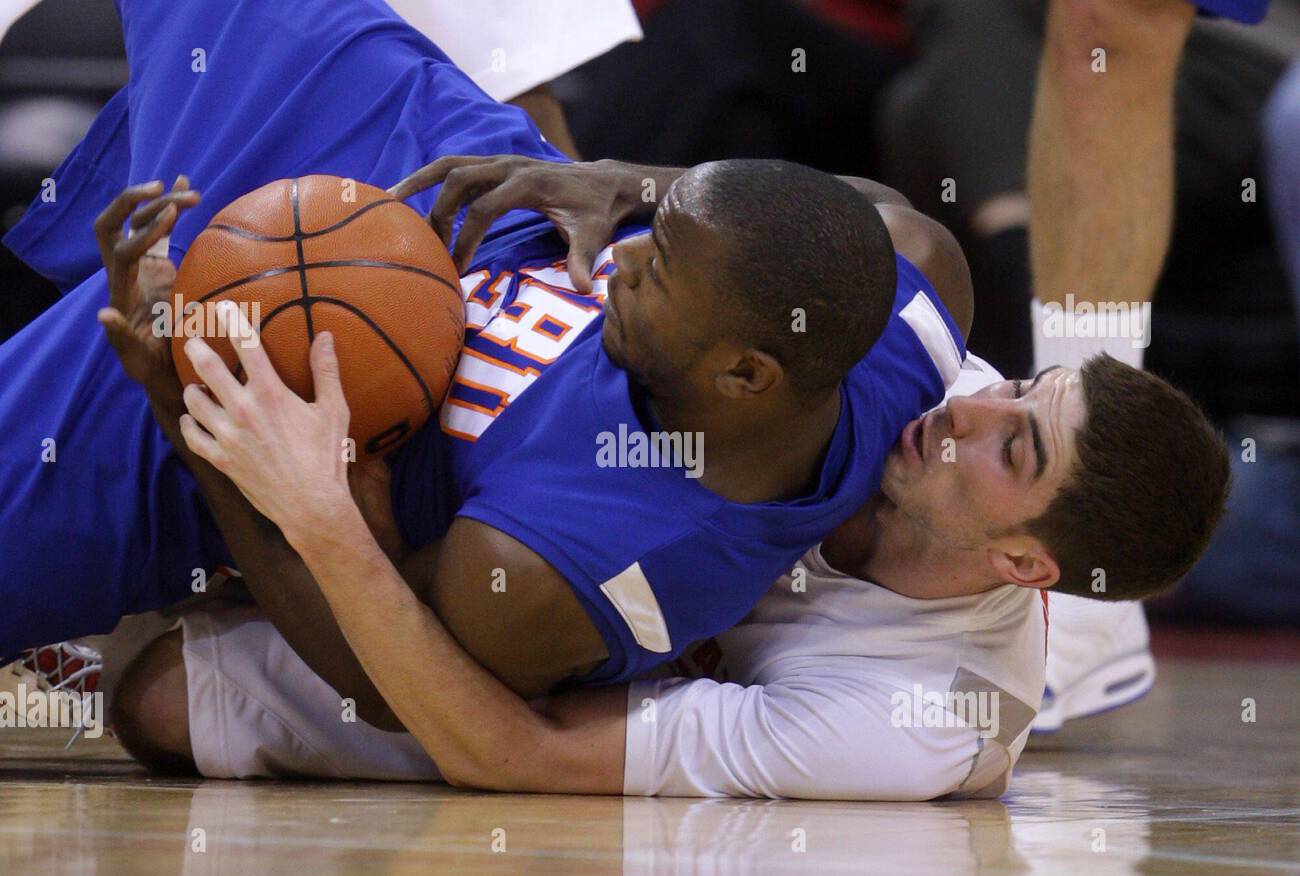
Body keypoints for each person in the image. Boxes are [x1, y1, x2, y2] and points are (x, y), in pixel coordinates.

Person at [0, 0, 967, 708]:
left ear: (744, 374)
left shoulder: (575, 563)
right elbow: (872, 210)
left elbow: (380, 682)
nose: (624, 259)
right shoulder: (905, 300)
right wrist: (615, 181)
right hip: (458, 188)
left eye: (658, 270)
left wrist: (180, 393)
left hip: (270, 384)